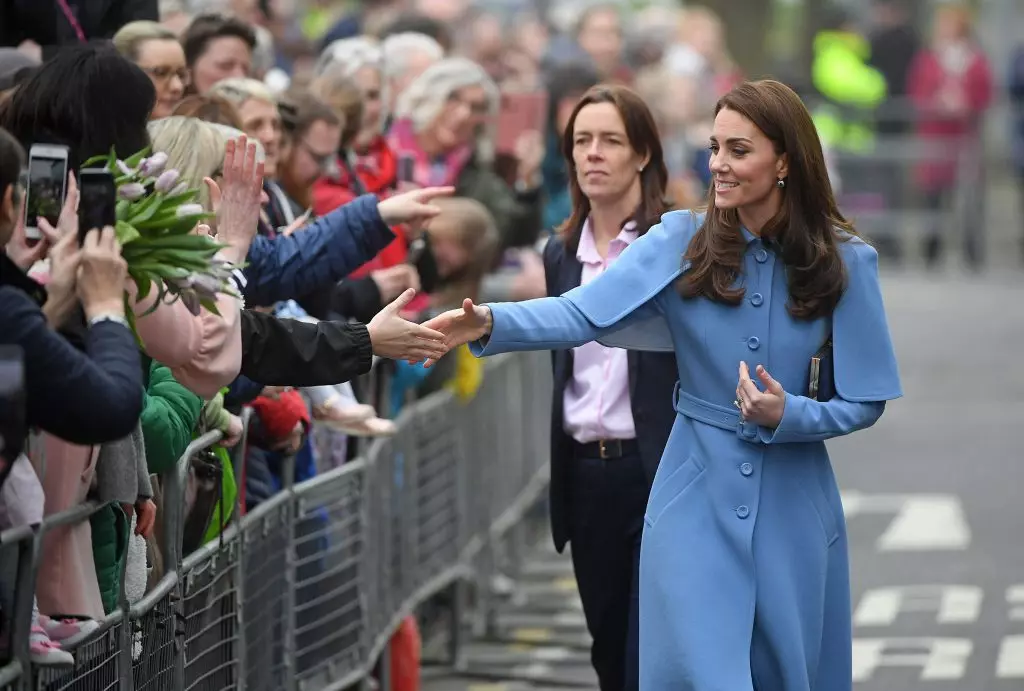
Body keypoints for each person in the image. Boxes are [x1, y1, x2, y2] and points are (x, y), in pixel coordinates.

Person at [425, 79, 902, 690]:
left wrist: (792, 415)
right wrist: (490, 321)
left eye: (738, 150)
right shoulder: (680, 238)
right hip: (691, 496)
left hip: (794, 503)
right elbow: (581, 312)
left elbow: (864, 400)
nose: (718, 166)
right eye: (714, 147)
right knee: (699, 672)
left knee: (787, 673)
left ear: (784, 161)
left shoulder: (846, 260)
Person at [538, 84, 678, 691]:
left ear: (642, 154)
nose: (592, 154)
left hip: (655, 469)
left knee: (656, 650)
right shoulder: (560, 252)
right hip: (585, 472)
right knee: (609, 651)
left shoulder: (672, 248)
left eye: (611, 141)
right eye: (581, 141)